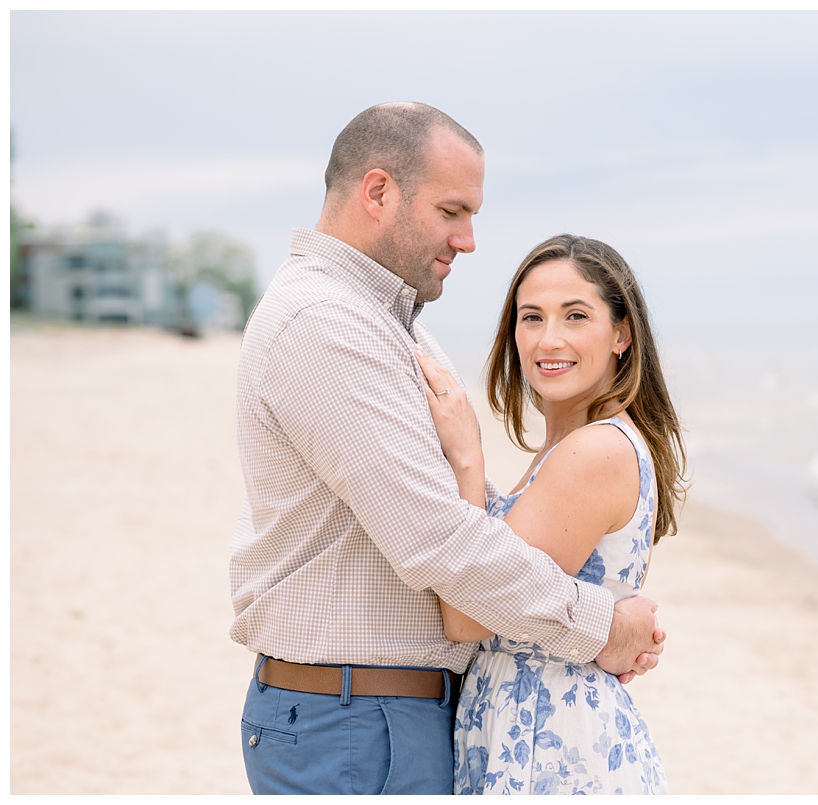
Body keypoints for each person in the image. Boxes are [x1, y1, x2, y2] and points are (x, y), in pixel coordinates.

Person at [229, 103, 665, 795]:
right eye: (452, 210)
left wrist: (471, 471)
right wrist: (601, 622)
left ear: (622, 334)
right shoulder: (327, 322)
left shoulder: (389, 323)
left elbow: (449, 522)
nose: (467, 240)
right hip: (355, 720)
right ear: (378, 192)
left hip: (381, 715)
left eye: (576, 316)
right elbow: (436, 538)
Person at [414, 234, 687, 795]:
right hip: (530, 729)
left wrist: (466, 458)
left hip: (551, 742)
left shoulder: (596, 452)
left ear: (621, 334)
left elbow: (469, 618)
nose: (548, 339)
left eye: (576, 316)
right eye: (531, 317)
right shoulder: (570, 448)